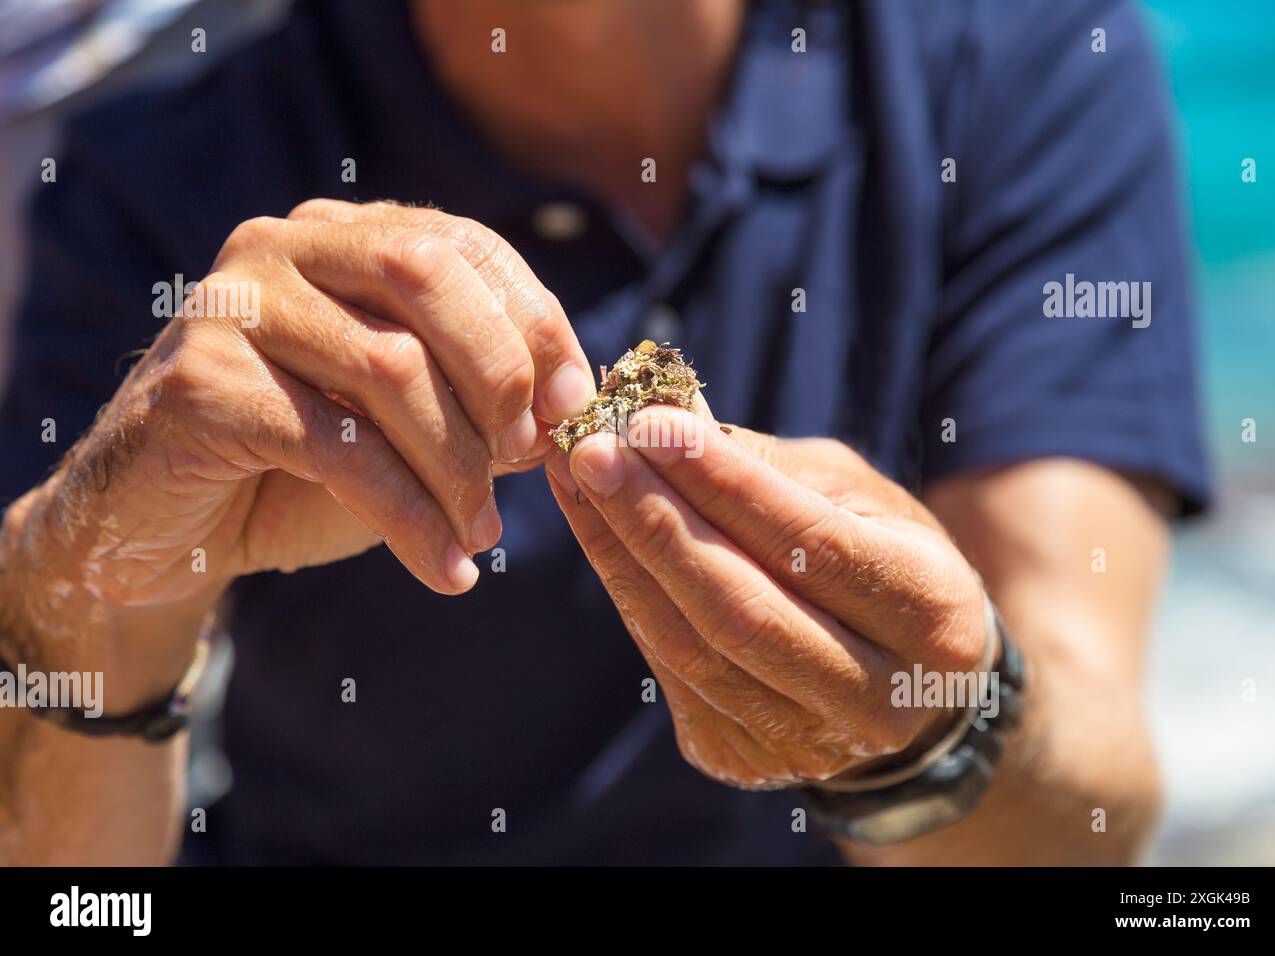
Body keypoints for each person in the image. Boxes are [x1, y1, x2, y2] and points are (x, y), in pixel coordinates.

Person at [0, 0, 1207, 865]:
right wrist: (88, 583)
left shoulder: (1029, 53)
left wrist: (940, 724)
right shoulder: (163, 164)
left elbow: (1089, 821)